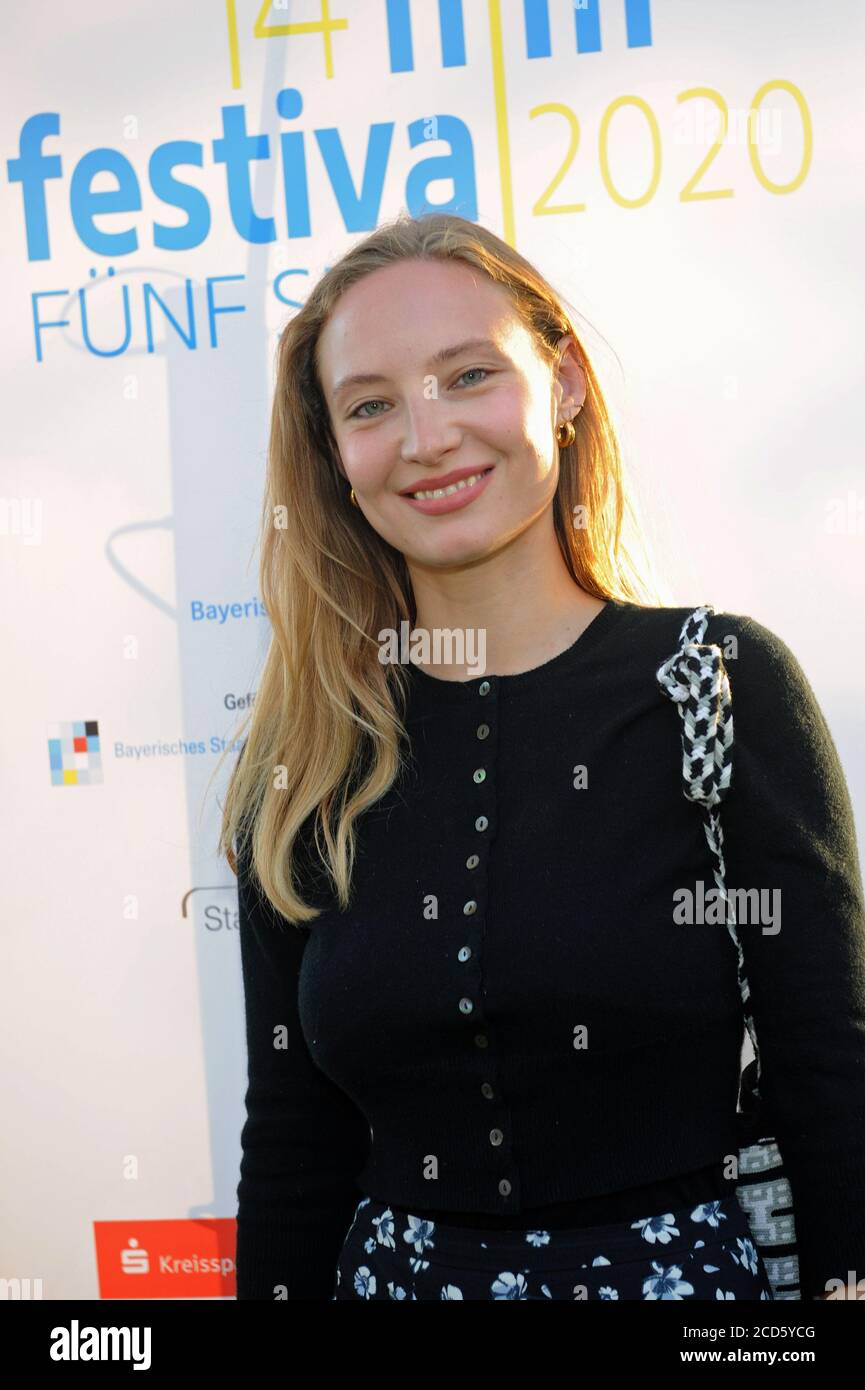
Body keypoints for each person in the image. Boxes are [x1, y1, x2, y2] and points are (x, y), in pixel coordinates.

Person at [217, 211, 865, 1302]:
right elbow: (292, 1139)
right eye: (371, 404)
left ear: (561, 381)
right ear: (334, 455)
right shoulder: (306, 758)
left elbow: (830, 1072)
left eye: (468, 375)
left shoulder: (716, 684)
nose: (425, 437)